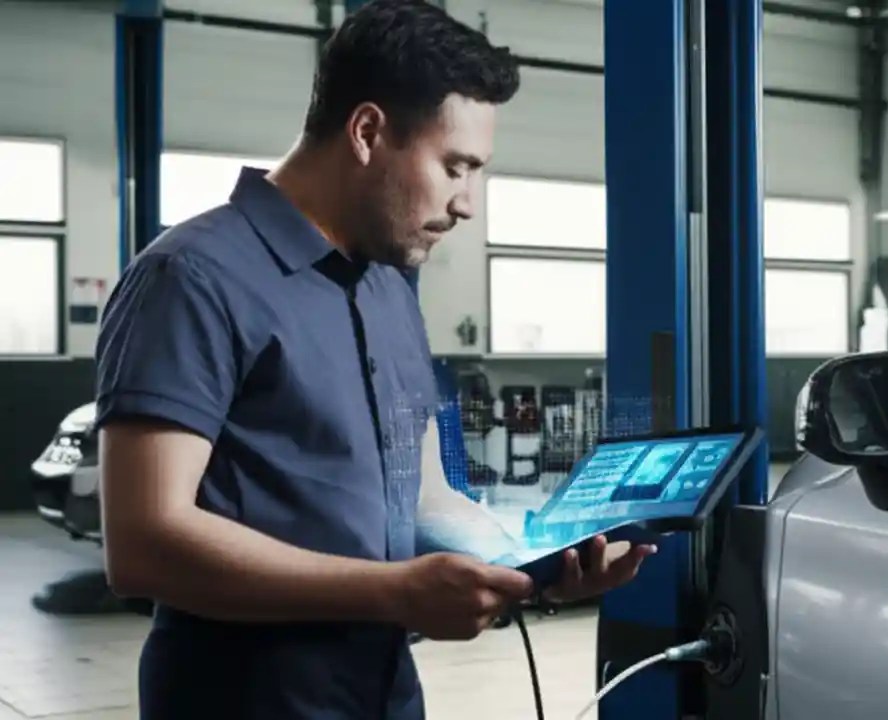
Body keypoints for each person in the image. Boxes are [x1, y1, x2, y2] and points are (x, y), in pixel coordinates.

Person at [93, 1, 655, 718]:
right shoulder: (193, 277)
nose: (468, 204)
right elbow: (143, 545)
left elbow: (421, 498)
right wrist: (394, 591)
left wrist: (534, 570)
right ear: (367, 132)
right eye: (456, 166)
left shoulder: (388, 287)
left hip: (383, 694)